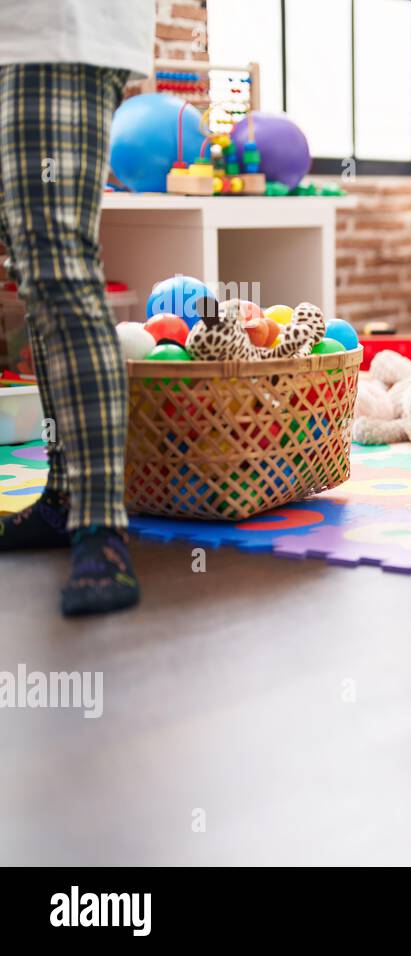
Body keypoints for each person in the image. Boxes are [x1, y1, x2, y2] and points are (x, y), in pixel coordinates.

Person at [0, 0, 156, 615]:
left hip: (54, 30)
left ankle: (101, 528)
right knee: (30, 266)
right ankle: (67, 496)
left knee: (57, 261)